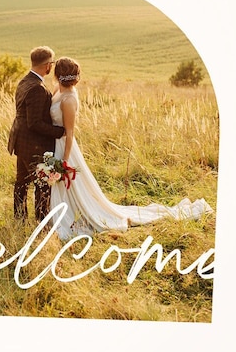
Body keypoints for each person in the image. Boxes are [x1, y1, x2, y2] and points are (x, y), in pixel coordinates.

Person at [48, 56, 212, 240]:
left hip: (65, 147)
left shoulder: (69, 99)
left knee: (71, 186)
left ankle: (72, 215)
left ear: (58, 75)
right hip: (54, 144)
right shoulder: (58, 90)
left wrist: (64, 161)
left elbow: (70, 133)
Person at [7, 45, 65, 222]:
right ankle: (42, 221)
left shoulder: (24, 81)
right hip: (33, 143)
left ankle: (20, 219)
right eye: (52, 64)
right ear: (48, 65)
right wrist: (60, 132)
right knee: (42, 184)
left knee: (21, 182)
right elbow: (34, 123)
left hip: (20, 139)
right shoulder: (37, 88)